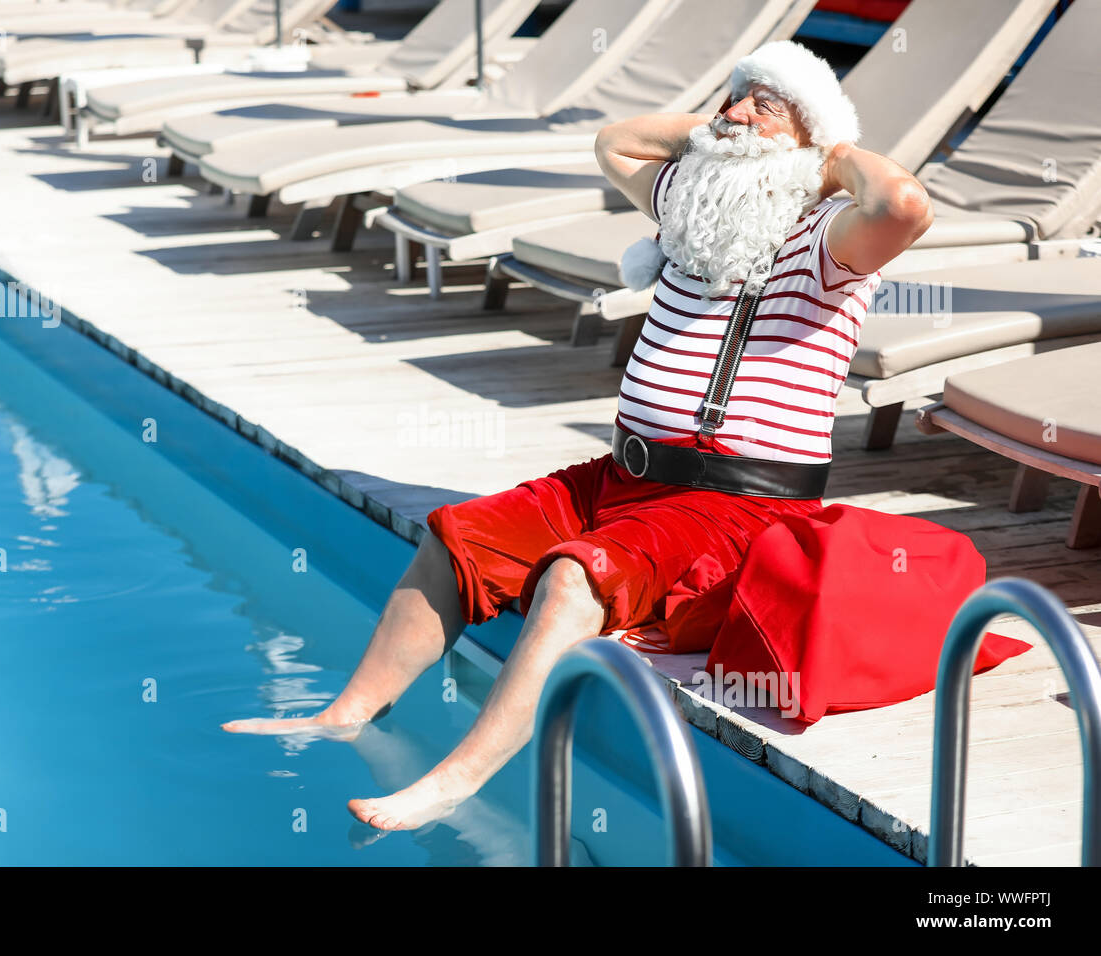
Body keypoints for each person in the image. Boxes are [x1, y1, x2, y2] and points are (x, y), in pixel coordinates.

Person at [223, 40, 934, 831]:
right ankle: (345, 714)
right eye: (730, 99)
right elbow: (614, 141)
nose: (734, 114)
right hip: (623, 480)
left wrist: (821, 156)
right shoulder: (694, 203)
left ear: (810, 133)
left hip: (735, 505)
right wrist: (727, 134)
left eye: (762, 105)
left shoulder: (833, 238)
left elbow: (904, 203)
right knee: (456, 538)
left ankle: (456, 779)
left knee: (572, 579)